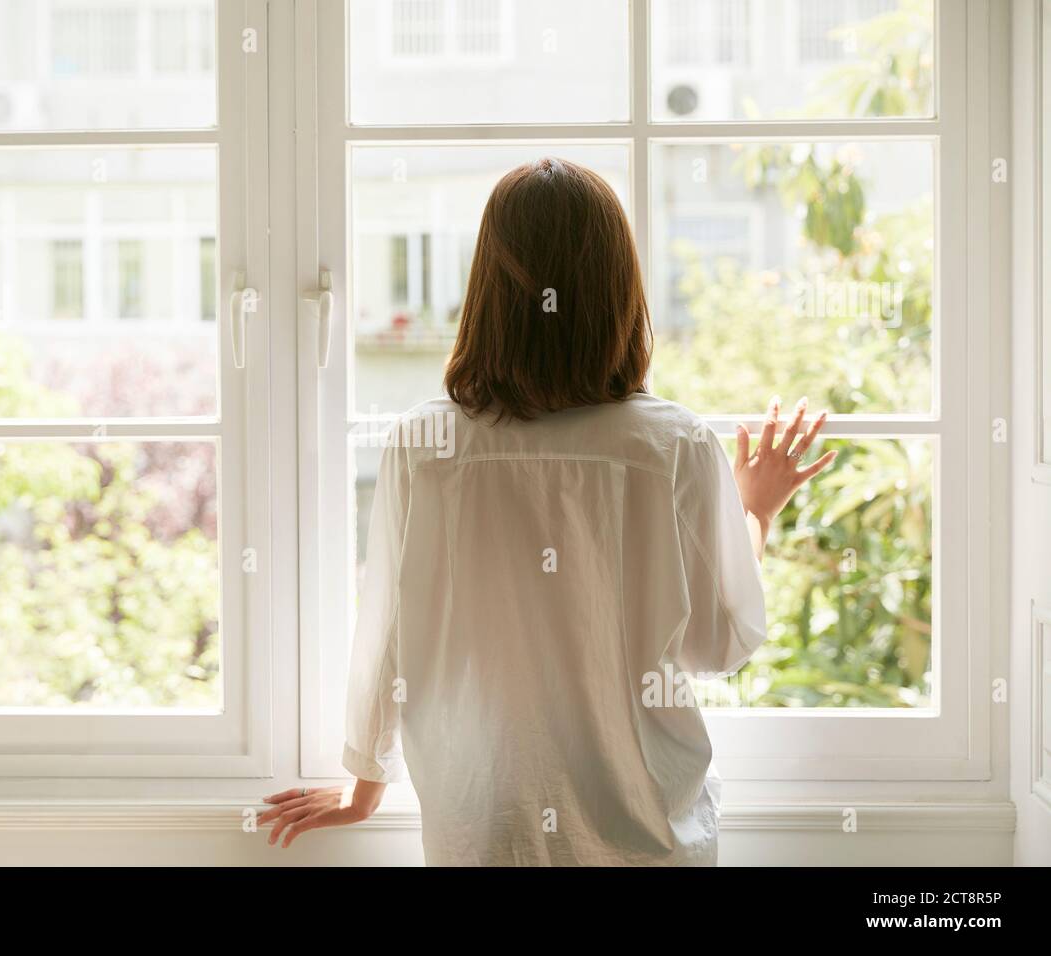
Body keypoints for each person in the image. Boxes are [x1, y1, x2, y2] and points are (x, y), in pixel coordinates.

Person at [259, 157, 835, 864]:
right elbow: (720, 643)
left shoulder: (425, 444)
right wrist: (756, 514)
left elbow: (386, 633)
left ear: (488, 290)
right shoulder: (673, 445)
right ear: (618, 289)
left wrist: (365, 785)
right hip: (649, 835)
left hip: (484, 834)